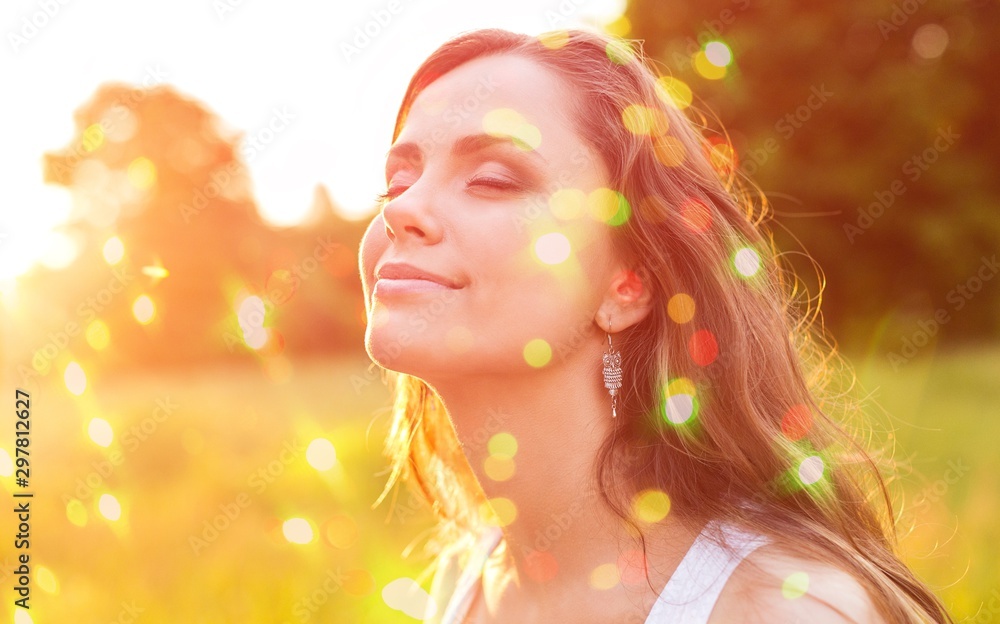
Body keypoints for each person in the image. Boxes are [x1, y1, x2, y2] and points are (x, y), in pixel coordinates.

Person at [357, 27, 953, 623]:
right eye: (397, 182)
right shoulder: (466, 579)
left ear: (630, 281)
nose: (400, 209)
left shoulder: (785, 610)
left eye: (492, 179)